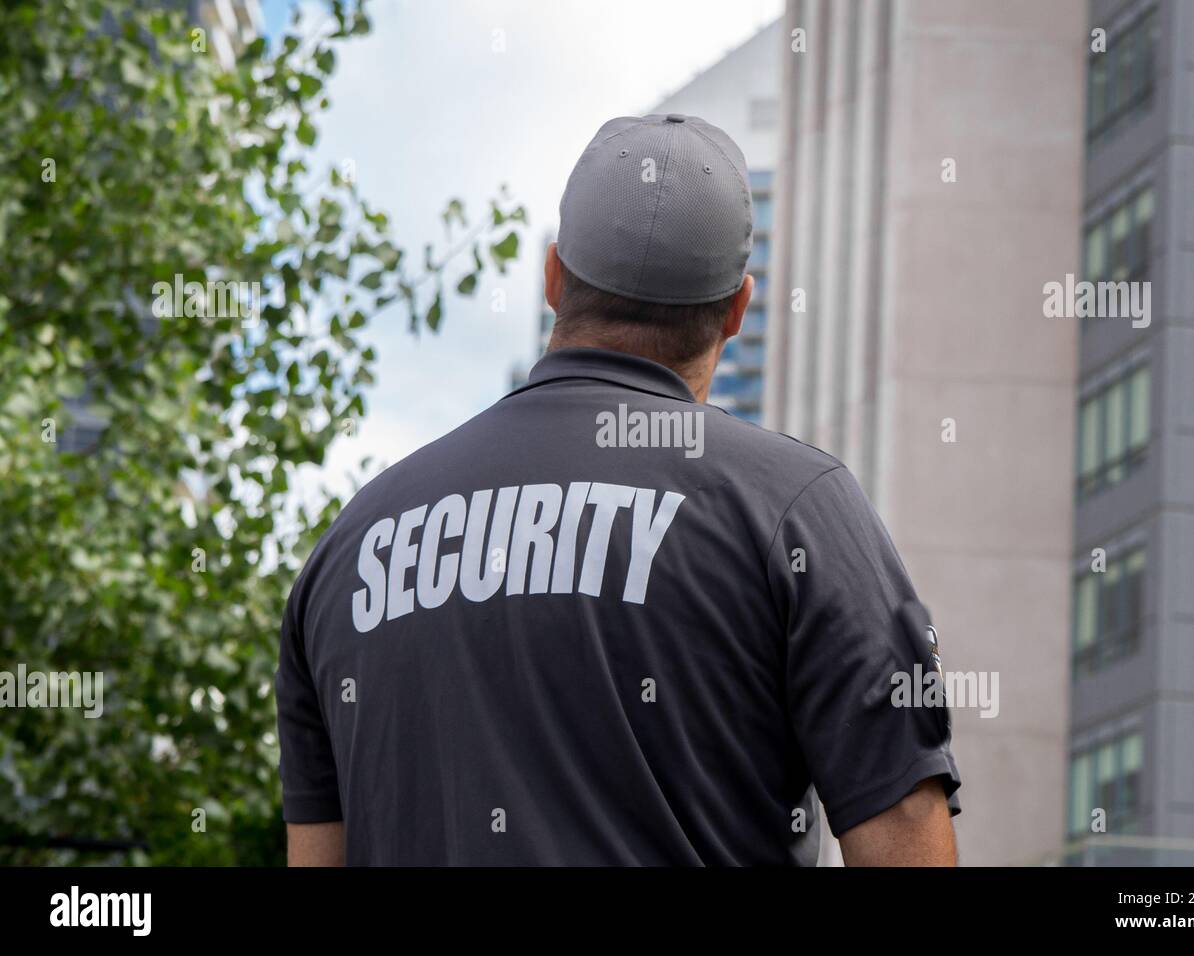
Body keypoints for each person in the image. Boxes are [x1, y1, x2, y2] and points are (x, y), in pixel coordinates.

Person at [276, 113, 961, 866]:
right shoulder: (795, 512)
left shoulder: (351, 546)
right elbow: (905, 846)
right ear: (738, 309)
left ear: (552, 278)